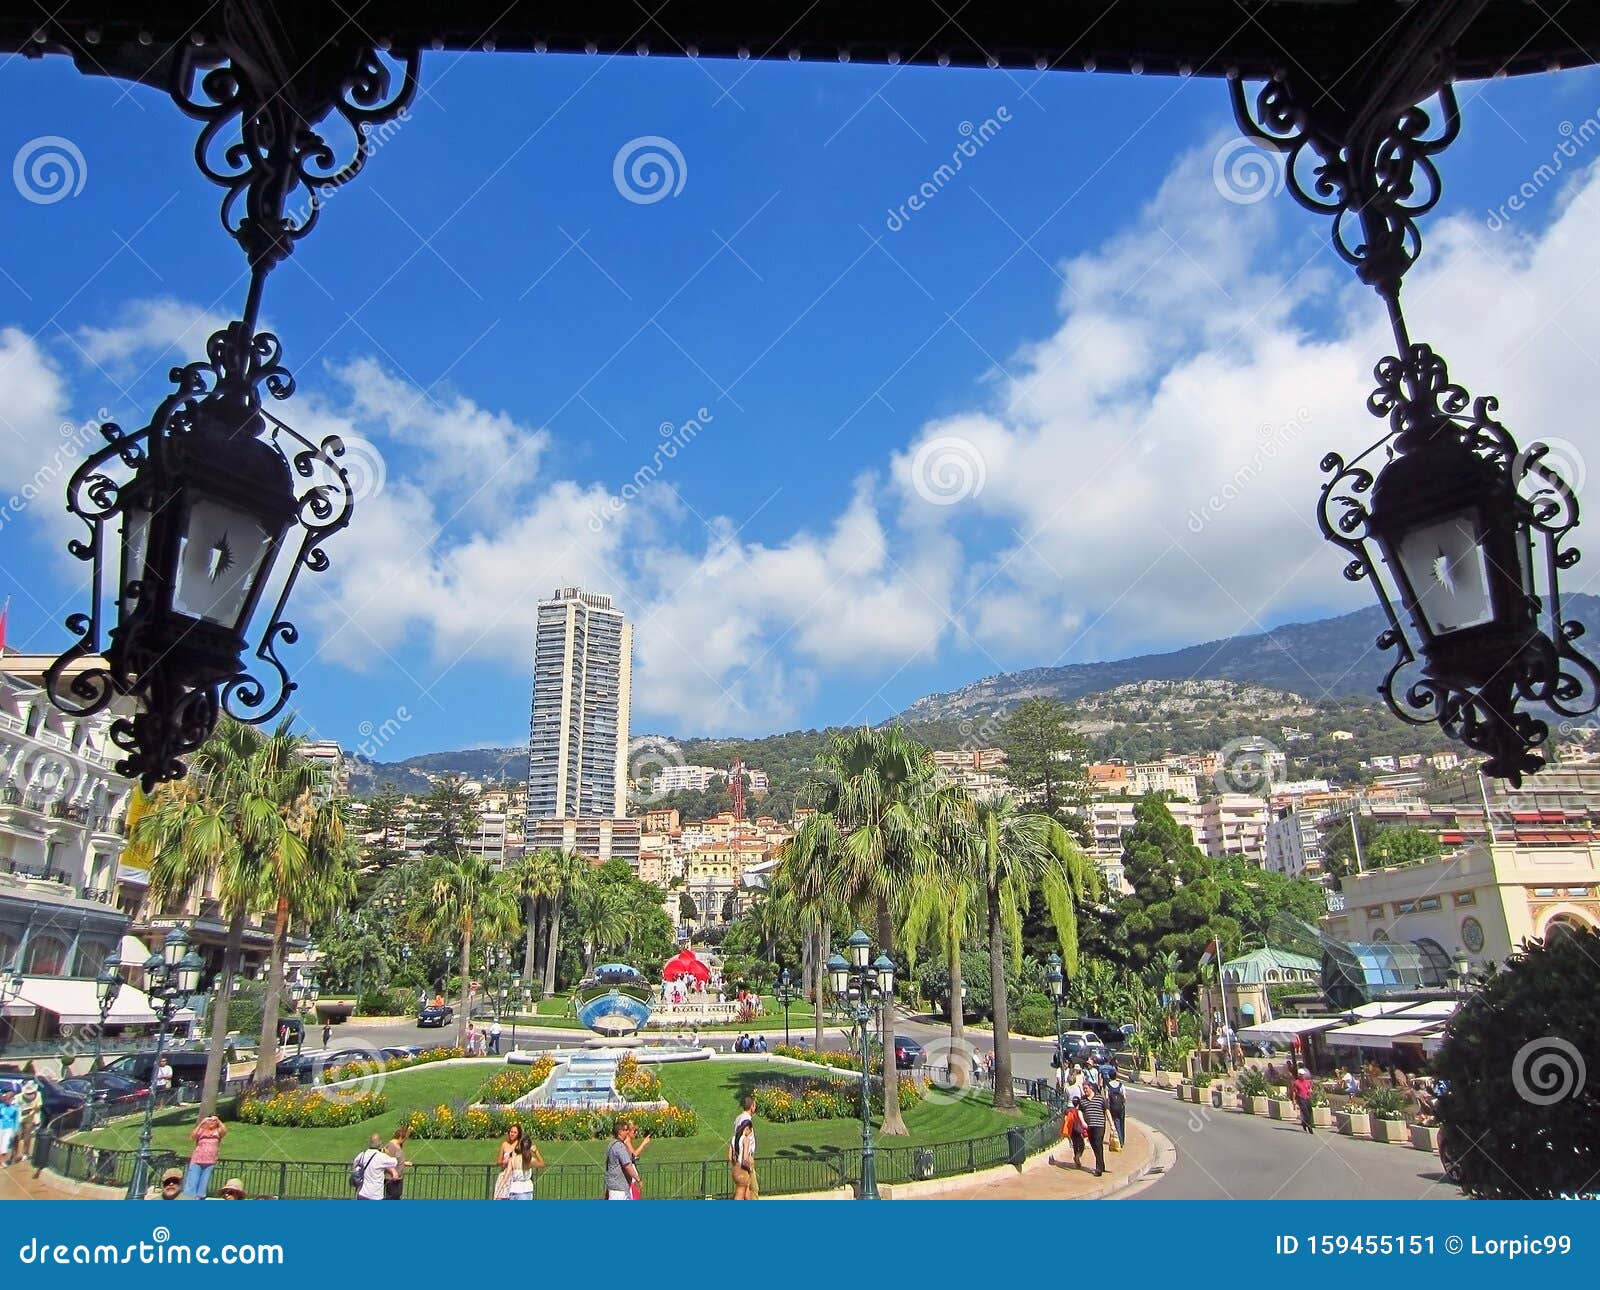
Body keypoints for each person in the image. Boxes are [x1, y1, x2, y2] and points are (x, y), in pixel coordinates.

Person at [184, 1114, 227, 1197]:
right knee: (192, 1182)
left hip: (210, 1162)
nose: (212, 1122)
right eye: (210, 1120)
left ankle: (200, 1198)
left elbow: (224, 1131)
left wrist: (218, 1120)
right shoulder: (202, 1131)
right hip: (197, 1160)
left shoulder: (217, 1132)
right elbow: (193, 1136)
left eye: (213, 1121)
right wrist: (201, 1123)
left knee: (203, 1183)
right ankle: (189, 1198)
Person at [604, 1119, 648, 1200]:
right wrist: (638, 1179)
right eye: (626, 1130)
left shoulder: (611, 1144)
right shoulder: (619, 1146)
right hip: (619, 1189)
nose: (628, 1132)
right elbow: (627, 1166)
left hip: (615, 1187)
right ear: (620, 1132)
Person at [729, 1093, 757, 1200]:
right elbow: (745, 1152)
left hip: (737, 1161)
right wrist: (749, 1164)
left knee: (744, 1191)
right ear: (752, 1106)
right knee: (752, 1189)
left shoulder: (738, 1118)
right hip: (745, 1161)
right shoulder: (746, 1121)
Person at [354, 1133, 397, 1201]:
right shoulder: (381, 1157)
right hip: (376, 1195)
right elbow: (394, 1162)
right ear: (379, 1143)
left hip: (362, 1193)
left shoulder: (362, 1155)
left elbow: (355, 1163)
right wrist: (387, 1153)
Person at [1079, 1079, 1108, 1176]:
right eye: (1083, 1089)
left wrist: (1112, 1124)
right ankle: (1102, 1164)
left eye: (1086, 1088)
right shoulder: (1083, 1099)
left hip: (1099, 1125)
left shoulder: (1100, 1098)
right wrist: (1083, 1121)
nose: (1085, 1090)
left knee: (1098, 1143)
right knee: (1095, 1146)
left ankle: (1098, 1168)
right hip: (1089, 1126)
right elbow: (1079, 1110)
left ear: (1090, 1088)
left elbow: (1106, 1110)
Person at [12, 1081, 42, 1166]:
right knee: (16, 1137)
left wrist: (34, 1108)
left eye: (31, 1093)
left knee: (27, 1136)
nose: (30, 1095)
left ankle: (26, 1153)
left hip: (29, 1119)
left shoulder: (38, 1095)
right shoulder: (18, 1097)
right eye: (28, 1093)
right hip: (18, 1119)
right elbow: (14, 1108)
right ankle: (14, 1155)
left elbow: (39, 1106)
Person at [383, 1123, 414, 1199]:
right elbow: (386, 1162)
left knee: (397, 1197)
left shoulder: (398, 1144)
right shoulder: (391, 1146)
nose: (403, 1140)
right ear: (399, 1137)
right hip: (391, 1179)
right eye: (402, 1138)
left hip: (398, 1179)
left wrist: (408, 1131)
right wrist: (393, 1173)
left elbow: (396, 1159)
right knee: (391, 1198)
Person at [1291, 1067, 1316, 1133]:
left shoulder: (1307, 1082)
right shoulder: (1296, 1082)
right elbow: (1294, 1092)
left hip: (1307, 1098)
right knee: (1306, 1113)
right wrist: (1294, 1100)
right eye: (1301, 1075)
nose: (1303, 1076)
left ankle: (1304, 1123)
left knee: (1310, 1112)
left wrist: (1310, 1092)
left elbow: (1309, 1089)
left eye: (1303, 1075)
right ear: (1299, 1075)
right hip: (1301, 1099)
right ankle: (1309, 1127)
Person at [1106, 1074, 1127, 1147]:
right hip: (1121, 1107)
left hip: (1113, 1107)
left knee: (1116, 1122)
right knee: (1122, 1123)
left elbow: (1107, 1098)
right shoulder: (1121, 1085)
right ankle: (1122, 1140)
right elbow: (1124, 1097)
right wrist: (1123, 1103)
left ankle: (1120, 1141)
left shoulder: (1108, 1086)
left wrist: (1107, 1108)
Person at [0, 1092, 18, 1165]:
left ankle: (2, 1161)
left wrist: (15, 1130)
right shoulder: (1, 1106)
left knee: (5, 1144)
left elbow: (16, 1120)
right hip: (0, 1126)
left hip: (9, 1128)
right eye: (6, 1099)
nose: (7, 1100)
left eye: (9, 1099)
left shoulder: (15, 1108)